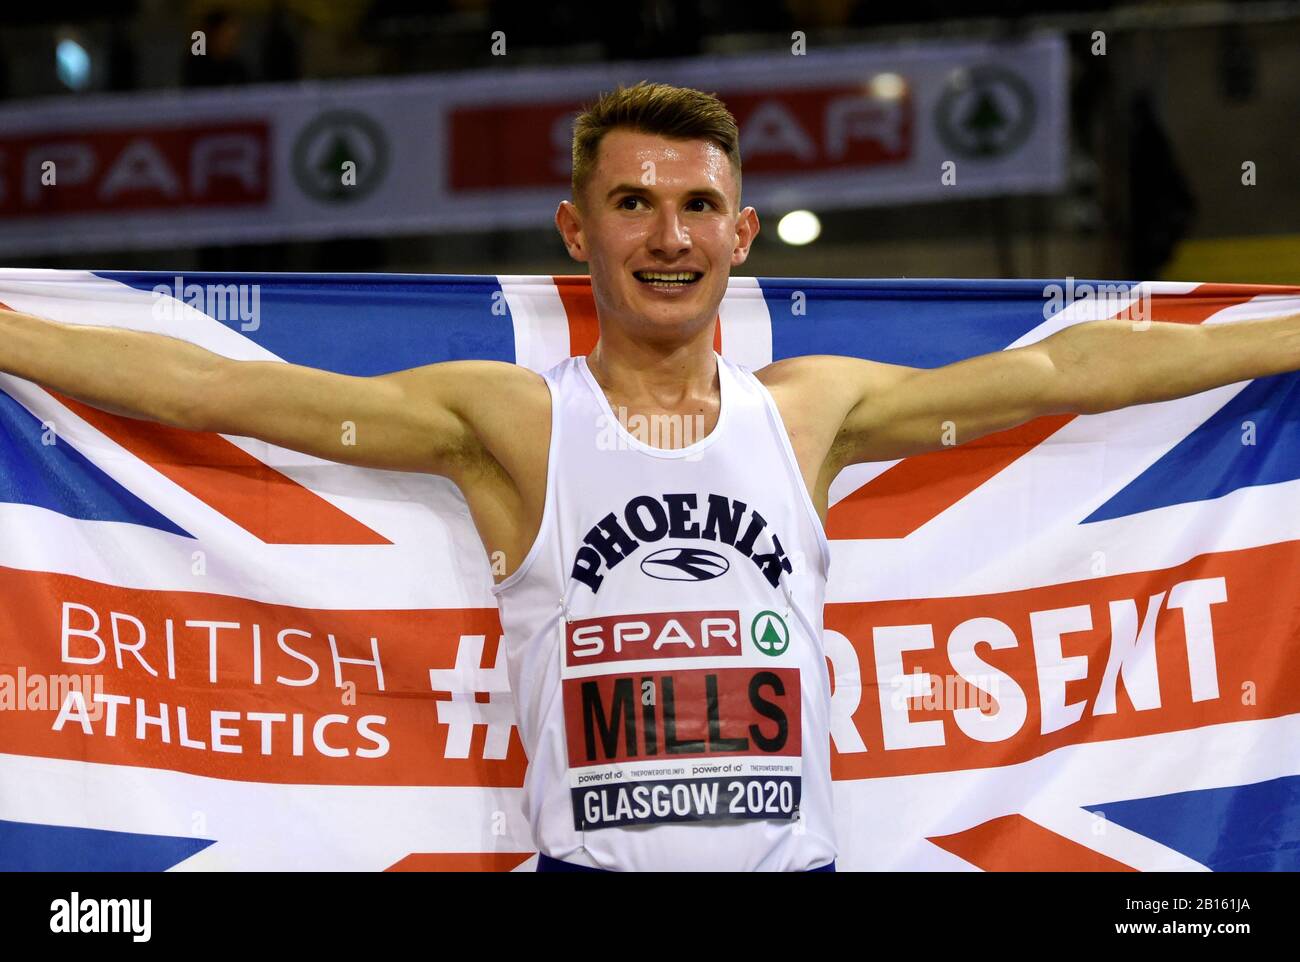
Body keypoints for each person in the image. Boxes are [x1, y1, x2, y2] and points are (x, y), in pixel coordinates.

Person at [2, 81, 1298, 872]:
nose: (666, 235)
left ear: (740, 233)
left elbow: (1069, 371)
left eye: (694, 207)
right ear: (579, 231)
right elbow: (221, 391)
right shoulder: (509, 420)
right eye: (630, 202)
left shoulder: (812, 412)